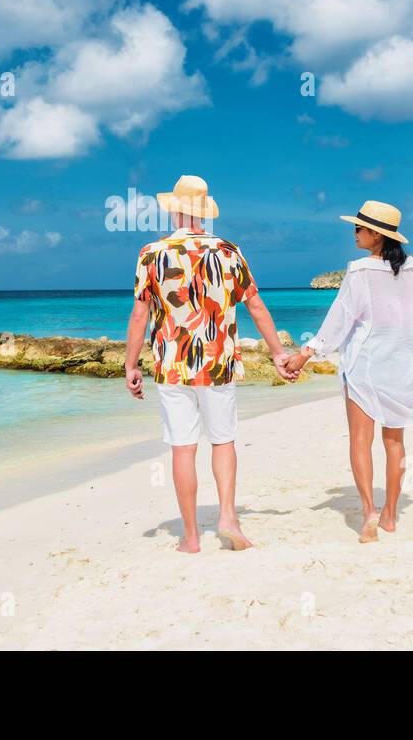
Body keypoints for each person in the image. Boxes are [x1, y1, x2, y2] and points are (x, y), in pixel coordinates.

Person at [124, 174, 297, 554]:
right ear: (203, 211)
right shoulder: (229, 251)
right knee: (223, 441)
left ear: (174, 209)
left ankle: (190, 537)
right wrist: (279, 352)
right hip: (218, 364)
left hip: (172, 366)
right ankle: (228, 518)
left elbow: (140, 316)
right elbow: (255, 305)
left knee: (183, 448)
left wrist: (130, 365)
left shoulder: (152, 254)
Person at [286, 200, 413, 543]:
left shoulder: (360, 270)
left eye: (358, 228)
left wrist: (307, 353)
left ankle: (369, 511)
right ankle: (391, 515)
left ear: (376, 235)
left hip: (366, 366)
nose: (354, 233)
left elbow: (341, 318)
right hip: (401, 364)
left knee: (360, 441)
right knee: (395, 442)